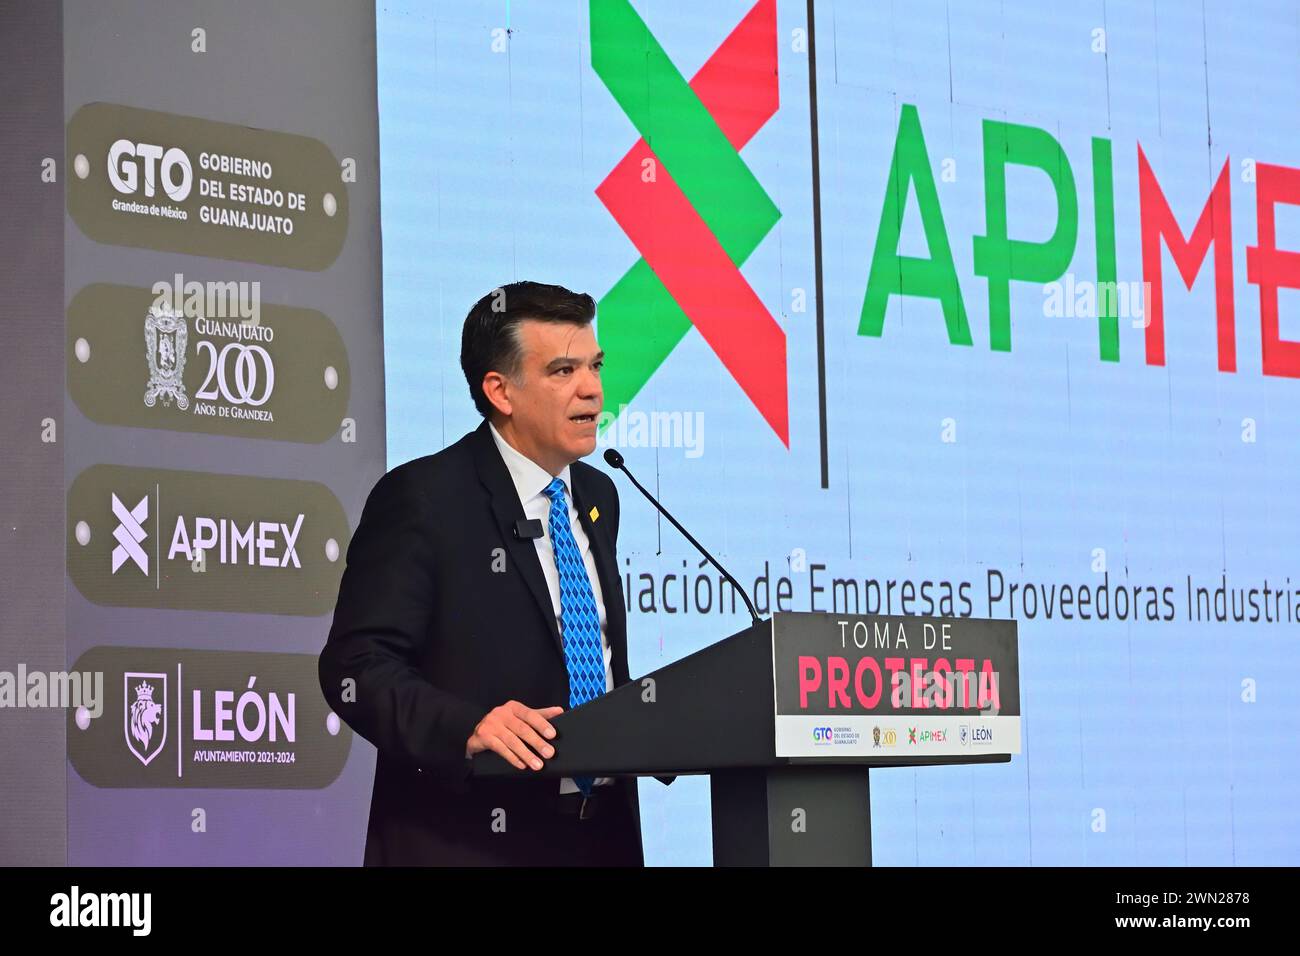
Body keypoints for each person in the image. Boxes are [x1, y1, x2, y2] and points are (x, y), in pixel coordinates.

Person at [320, 281, 659, 865]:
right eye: (562, 371)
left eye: (595, 365)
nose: (593, 390)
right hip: (470, 841)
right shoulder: (424, 498)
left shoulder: (600, 495)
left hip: (601, 839)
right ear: (500, 391)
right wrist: (467, 727)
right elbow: (355, 666)